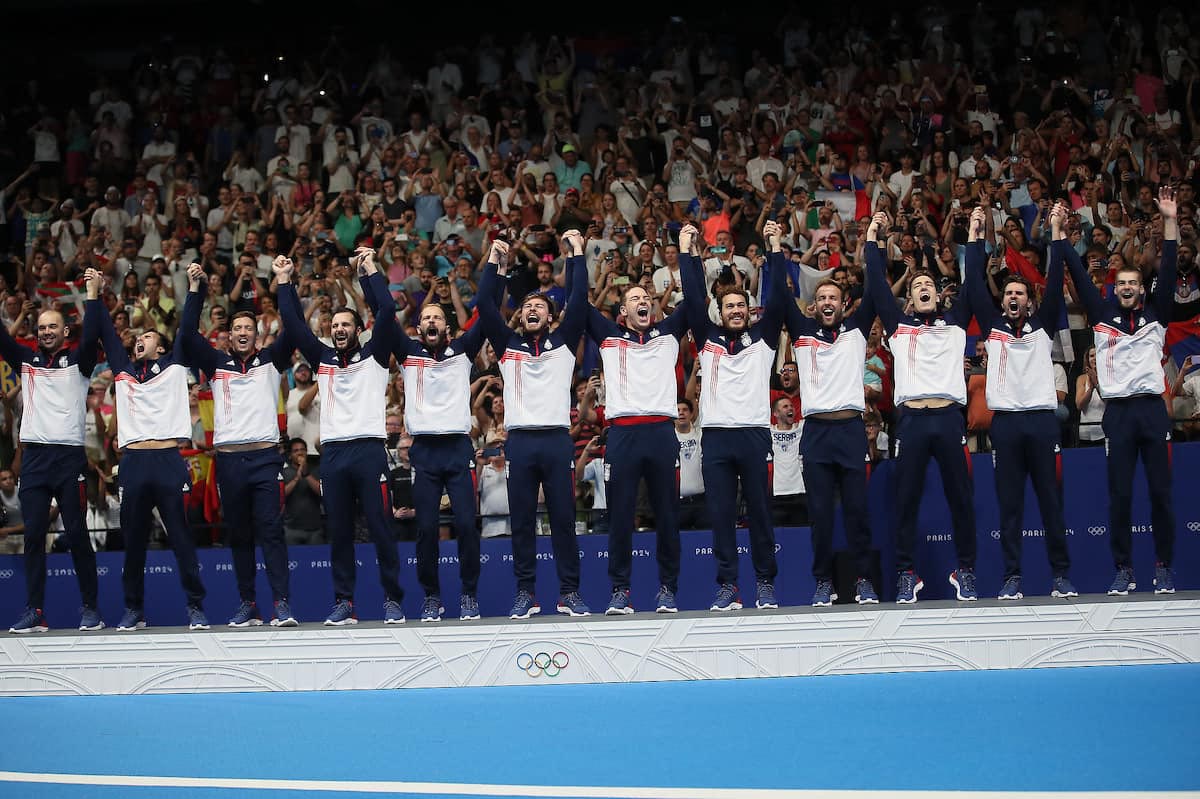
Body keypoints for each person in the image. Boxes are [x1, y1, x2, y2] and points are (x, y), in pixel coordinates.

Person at [365, 250, 498, 623]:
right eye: (426, 318)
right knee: (425, 531)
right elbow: (385, 314)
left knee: (468, 528)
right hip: (424, 451)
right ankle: (432, 597)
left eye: (438, 317)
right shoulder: (407, 353)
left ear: (449, 328)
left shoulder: (462, 351)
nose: (432, 321)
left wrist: (495, 265)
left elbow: (486, 310)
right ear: (418, 329)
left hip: (458, 448)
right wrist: (371, 272)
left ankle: (469, 595)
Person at [276, 250, 406, 625]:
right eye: (334, 325)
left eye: (346, 324)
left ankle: (392, 600)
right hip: (332, 455)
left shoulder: (376, 355)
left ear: (357, 329)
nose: (339, 329)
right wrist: (285, 280)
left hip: (368, 450)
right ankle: (344, 602)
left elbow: (386, 312)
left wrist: (369, 271)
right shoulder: (323, 360)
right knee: (340, 531)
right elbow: (293, 325)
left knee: (380, 529)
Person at [1062, 186, 1179, 596]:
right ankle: (1124, 569)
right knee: (1120, 497)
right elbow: (1077, 275)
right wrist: (1059, 234)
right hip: (1118, 415)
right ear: (1114, 289)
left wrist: (1168, 221)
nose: (1127, 287)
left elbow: (1167, 269)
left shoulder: (1157, 313)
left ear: (1142, 289)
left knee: (1162, 495)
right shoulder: (1101, 315)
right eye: (1121, 283)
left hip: (1151, 412)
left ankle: (1164, 567)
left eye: (1134, 282)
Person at [866, 209, 979, 604]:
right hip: (911, 420)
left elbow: (976, 283)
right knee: (906, 500)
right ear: (910, 300)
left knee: (961, 499)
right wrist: (872, 240)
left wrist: (976, 236)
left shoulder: (956, 324)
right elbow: (878, 288)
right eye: (918, 286)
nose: (925, 287)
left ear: (939, 293)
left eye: (930, 283)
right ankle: (903, 573)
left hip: (949, 418)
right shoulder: (899, 327)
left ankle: (966, 571)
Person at [965, 204, 1076, 601]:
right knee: (1009, 508)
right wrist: (975, 234)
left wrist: (1057, 233)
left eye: (1020, 293)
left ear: (1030, 301)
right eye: (1009, 293)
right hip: (1006, 426)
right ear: (1003, 300)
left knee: (1050, 503)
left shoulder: (1043, 325)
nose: (1014, 297)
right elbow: (974, 285)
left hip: (1043, 423)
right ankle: (1013, 576)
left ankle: (1061, 575)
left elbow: (1056, 274)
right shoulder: (993, 328)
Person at [178, 260, 298, 627]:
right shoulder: (215, 364)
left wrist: (283, 282)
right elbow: (185, 335)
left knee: (272, 533)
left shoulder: (270, 360)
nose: (243, 332)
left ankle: (281, 604)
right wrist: (196, 289)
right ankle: (248, 603)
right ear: (228, 336)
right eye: (237, 328)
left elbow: (293, 327)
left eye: (249, 328)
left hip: (264, 458)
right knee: (239, 536)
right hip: (229, 463)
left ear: (257, 335)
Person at [478, 231, 591, 619]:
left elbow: (578, 301)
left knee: (563, 521)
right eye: (527, 305)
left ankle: (570, 592)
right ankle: (525, 593)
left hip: (558, 441)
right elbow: (484, 306)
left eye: (539, 305)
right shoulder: (508, 347)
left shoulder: (563, 342)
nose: (532, 309)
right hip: (521, 443)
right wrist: (497, 262)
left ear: (550, 316)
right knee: (522, 523)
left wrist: (576, 253)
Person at [584, 227, 693, 615]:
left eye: (646, 297)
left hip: (662, 433)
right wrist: (580, 255)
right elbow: (581, 308)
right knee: (619, 517)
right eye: (635, 299)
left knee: (666, 514)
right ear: (623, 312)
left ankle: (668, 589)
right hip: (623, 435)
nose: (643, 301)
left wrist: (686, 252)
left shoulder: (667, 335)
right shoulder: (610, 338)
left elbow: (695, 299)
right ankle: (619, 591)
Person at [93, 269, 209, 631]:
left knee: (181, 539)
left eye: (147, 336)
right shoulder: (123, 371)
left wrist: (194, 288)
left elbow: (188, 329)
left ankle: (195, 607)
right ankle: (134, 610)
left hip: (168, 461)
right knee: (134, 544)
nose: (139, 338)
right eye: (138, 336)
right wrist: (93, 291)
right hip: (133, 463)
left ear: (160, 347)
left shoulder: (174, 365)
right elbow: (106, 333)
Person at [678, 221, 786, 612]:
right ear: (719, 312)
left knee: (759, 513)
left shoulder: (764, 340)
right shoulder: (707, 340)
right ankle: (728, 585)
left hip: (754, 435)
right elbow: (691, 299)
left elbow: (777, 301)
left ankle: (765, 584)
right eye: (730, 307)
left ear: (749, 311)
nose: (737, 311)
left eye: (742, 306)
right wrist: (687, 251)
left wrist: (774, 246)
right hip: (718, 439)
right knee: (721, 516)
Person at [780, 213, 883, 606]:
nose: (827, 302)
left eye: (833, 298)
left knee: (857, 513)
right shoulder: (803, 335)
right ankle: (822, 581)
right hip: (817, 434)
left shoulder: (857, 330)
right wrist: (776, 252)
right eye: (821, 298)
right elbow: (778, 295)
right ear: (813, 305)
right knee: (820, 516)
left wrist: (871, 239)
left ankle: (865, 582)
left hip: (850, 430)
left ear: (845, 304)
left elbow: (874, 290)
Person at [2, 276, 102, 634]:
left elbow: (91, 336)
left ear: (64, 331)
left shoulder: (79, 361)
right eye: (41, 327)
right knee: (32, 538)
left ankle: (91, 608)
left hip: (69, 459)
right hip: (35, 460)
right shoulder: (26, 360)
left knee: (76, 535)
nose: (45, 332)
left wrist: (92, 295)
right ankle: (34, 611)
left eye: (52, 327)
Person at [282, 437, 323, 545]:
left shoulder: (316, 470)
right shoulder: (284, 472)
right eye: (296, 451)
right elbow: (281, 495)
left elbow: (321, 492)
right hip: (291, 529)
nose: (300, 453)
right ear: (290, 455)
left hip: (315, 529)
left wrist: (306, 474)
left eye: (303, 450)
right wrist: (296, 478)